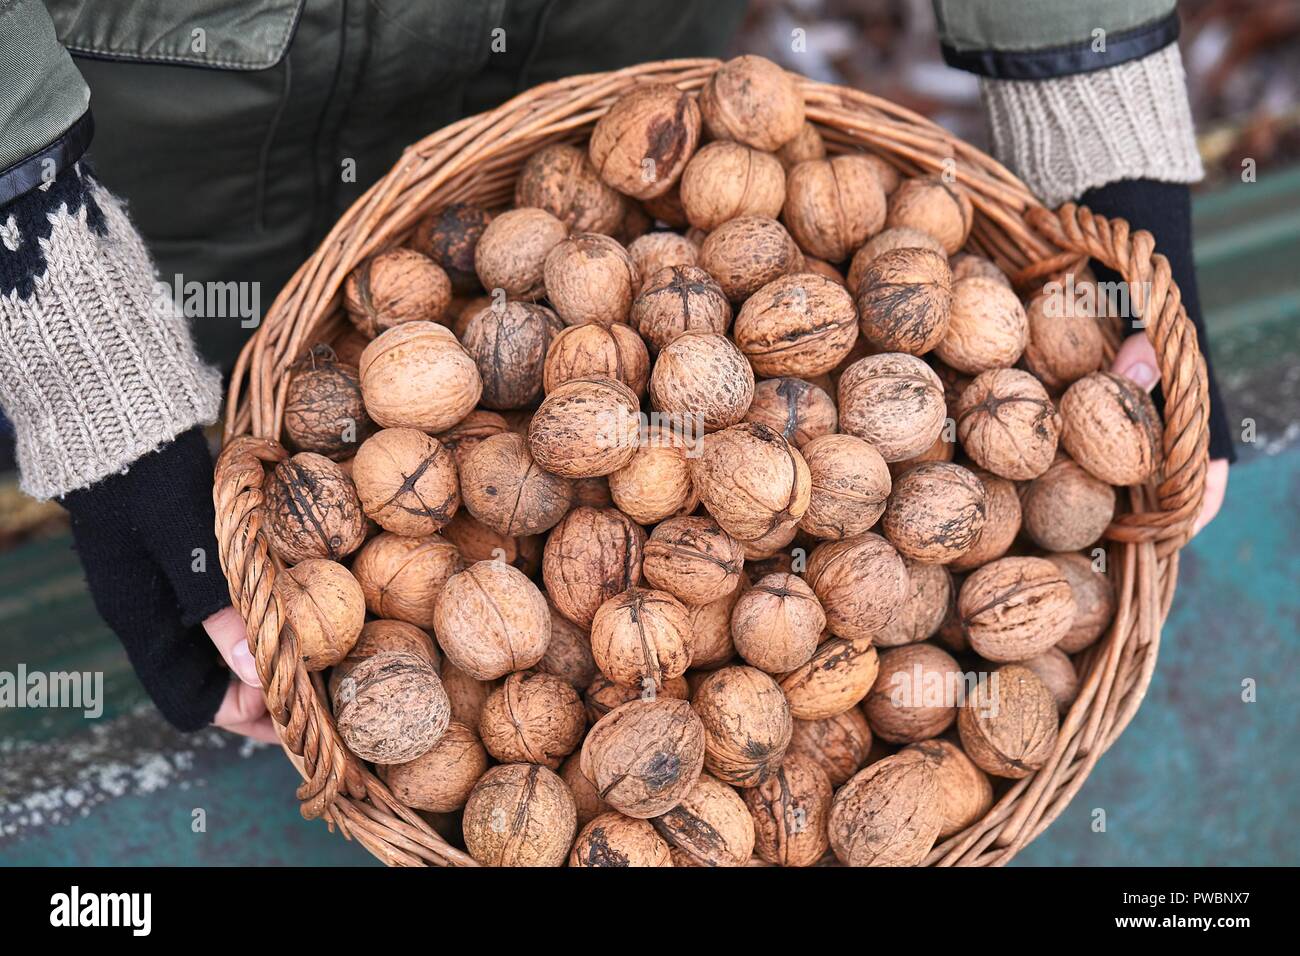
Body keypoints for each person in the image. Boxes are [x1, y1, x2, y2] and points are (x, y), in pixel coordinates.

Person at [0, 0, 1234, 742]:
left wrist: (1091, 84)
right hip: (158, 124)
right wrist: (50, 297)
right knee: (243, 441)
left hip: (605, 87)